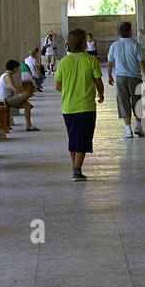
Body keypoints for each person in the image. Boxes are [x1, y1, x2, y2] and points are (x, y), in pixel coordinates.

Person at [55, 28, 104, 180]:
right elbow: (98, 82)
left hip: (68, 107)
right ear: (84, 43)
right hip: (86, 106)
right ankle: (77, 169)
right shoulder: (91, 60)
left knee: (73, 137)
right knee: (83, 138)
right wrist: (100, 94)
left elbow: (58, 85)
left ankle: (75, 168)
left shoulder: (63, 62)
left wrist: (69, 91)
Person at [106, 21, 145, 139]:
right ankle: (139, 126)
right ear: (130, 31)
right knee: (137, 102)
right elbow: (142, 62)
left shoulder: (114, 45)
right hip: (135, 77)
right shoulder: (135, 44)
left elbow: (110, 62)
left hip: (120, 78)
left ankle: (128, 130)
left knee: (123, 102)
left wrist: (110, 75)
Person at [0, 59, 38, 130]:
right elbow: (15, 89)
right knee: (27, 93)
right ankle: (24, 99)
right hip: (4, 99)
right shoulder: (7, 77)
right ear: (14, 68)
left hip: (9, 98)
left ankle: (29, 126)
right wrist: (25, 92)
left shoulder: (9, 76)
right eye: (17, 68)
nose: (18, 70)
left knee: (27, 106)